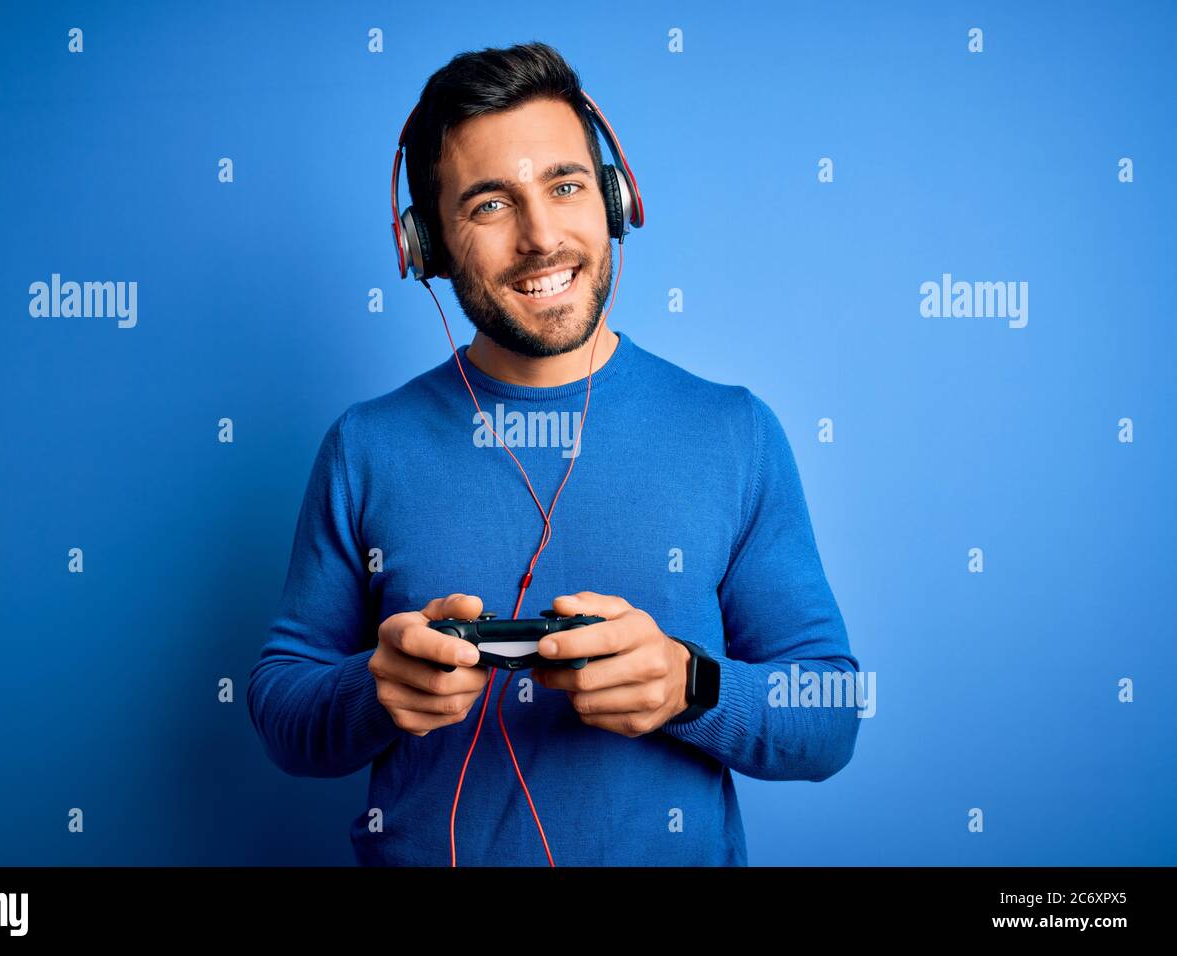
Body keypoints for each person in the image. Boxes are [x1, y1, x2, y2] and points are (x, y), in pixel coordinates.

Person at [247, 41, 860, 866]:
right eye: (491, 205)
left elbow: (829, 715)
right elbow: (282, 703)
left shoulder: (734, 431)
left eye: (566, 186)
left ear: (612, 199)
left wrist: (691, 686)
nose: (542, 237)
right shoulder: (365, 445)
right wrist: (374, 688)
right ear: (425, 244)